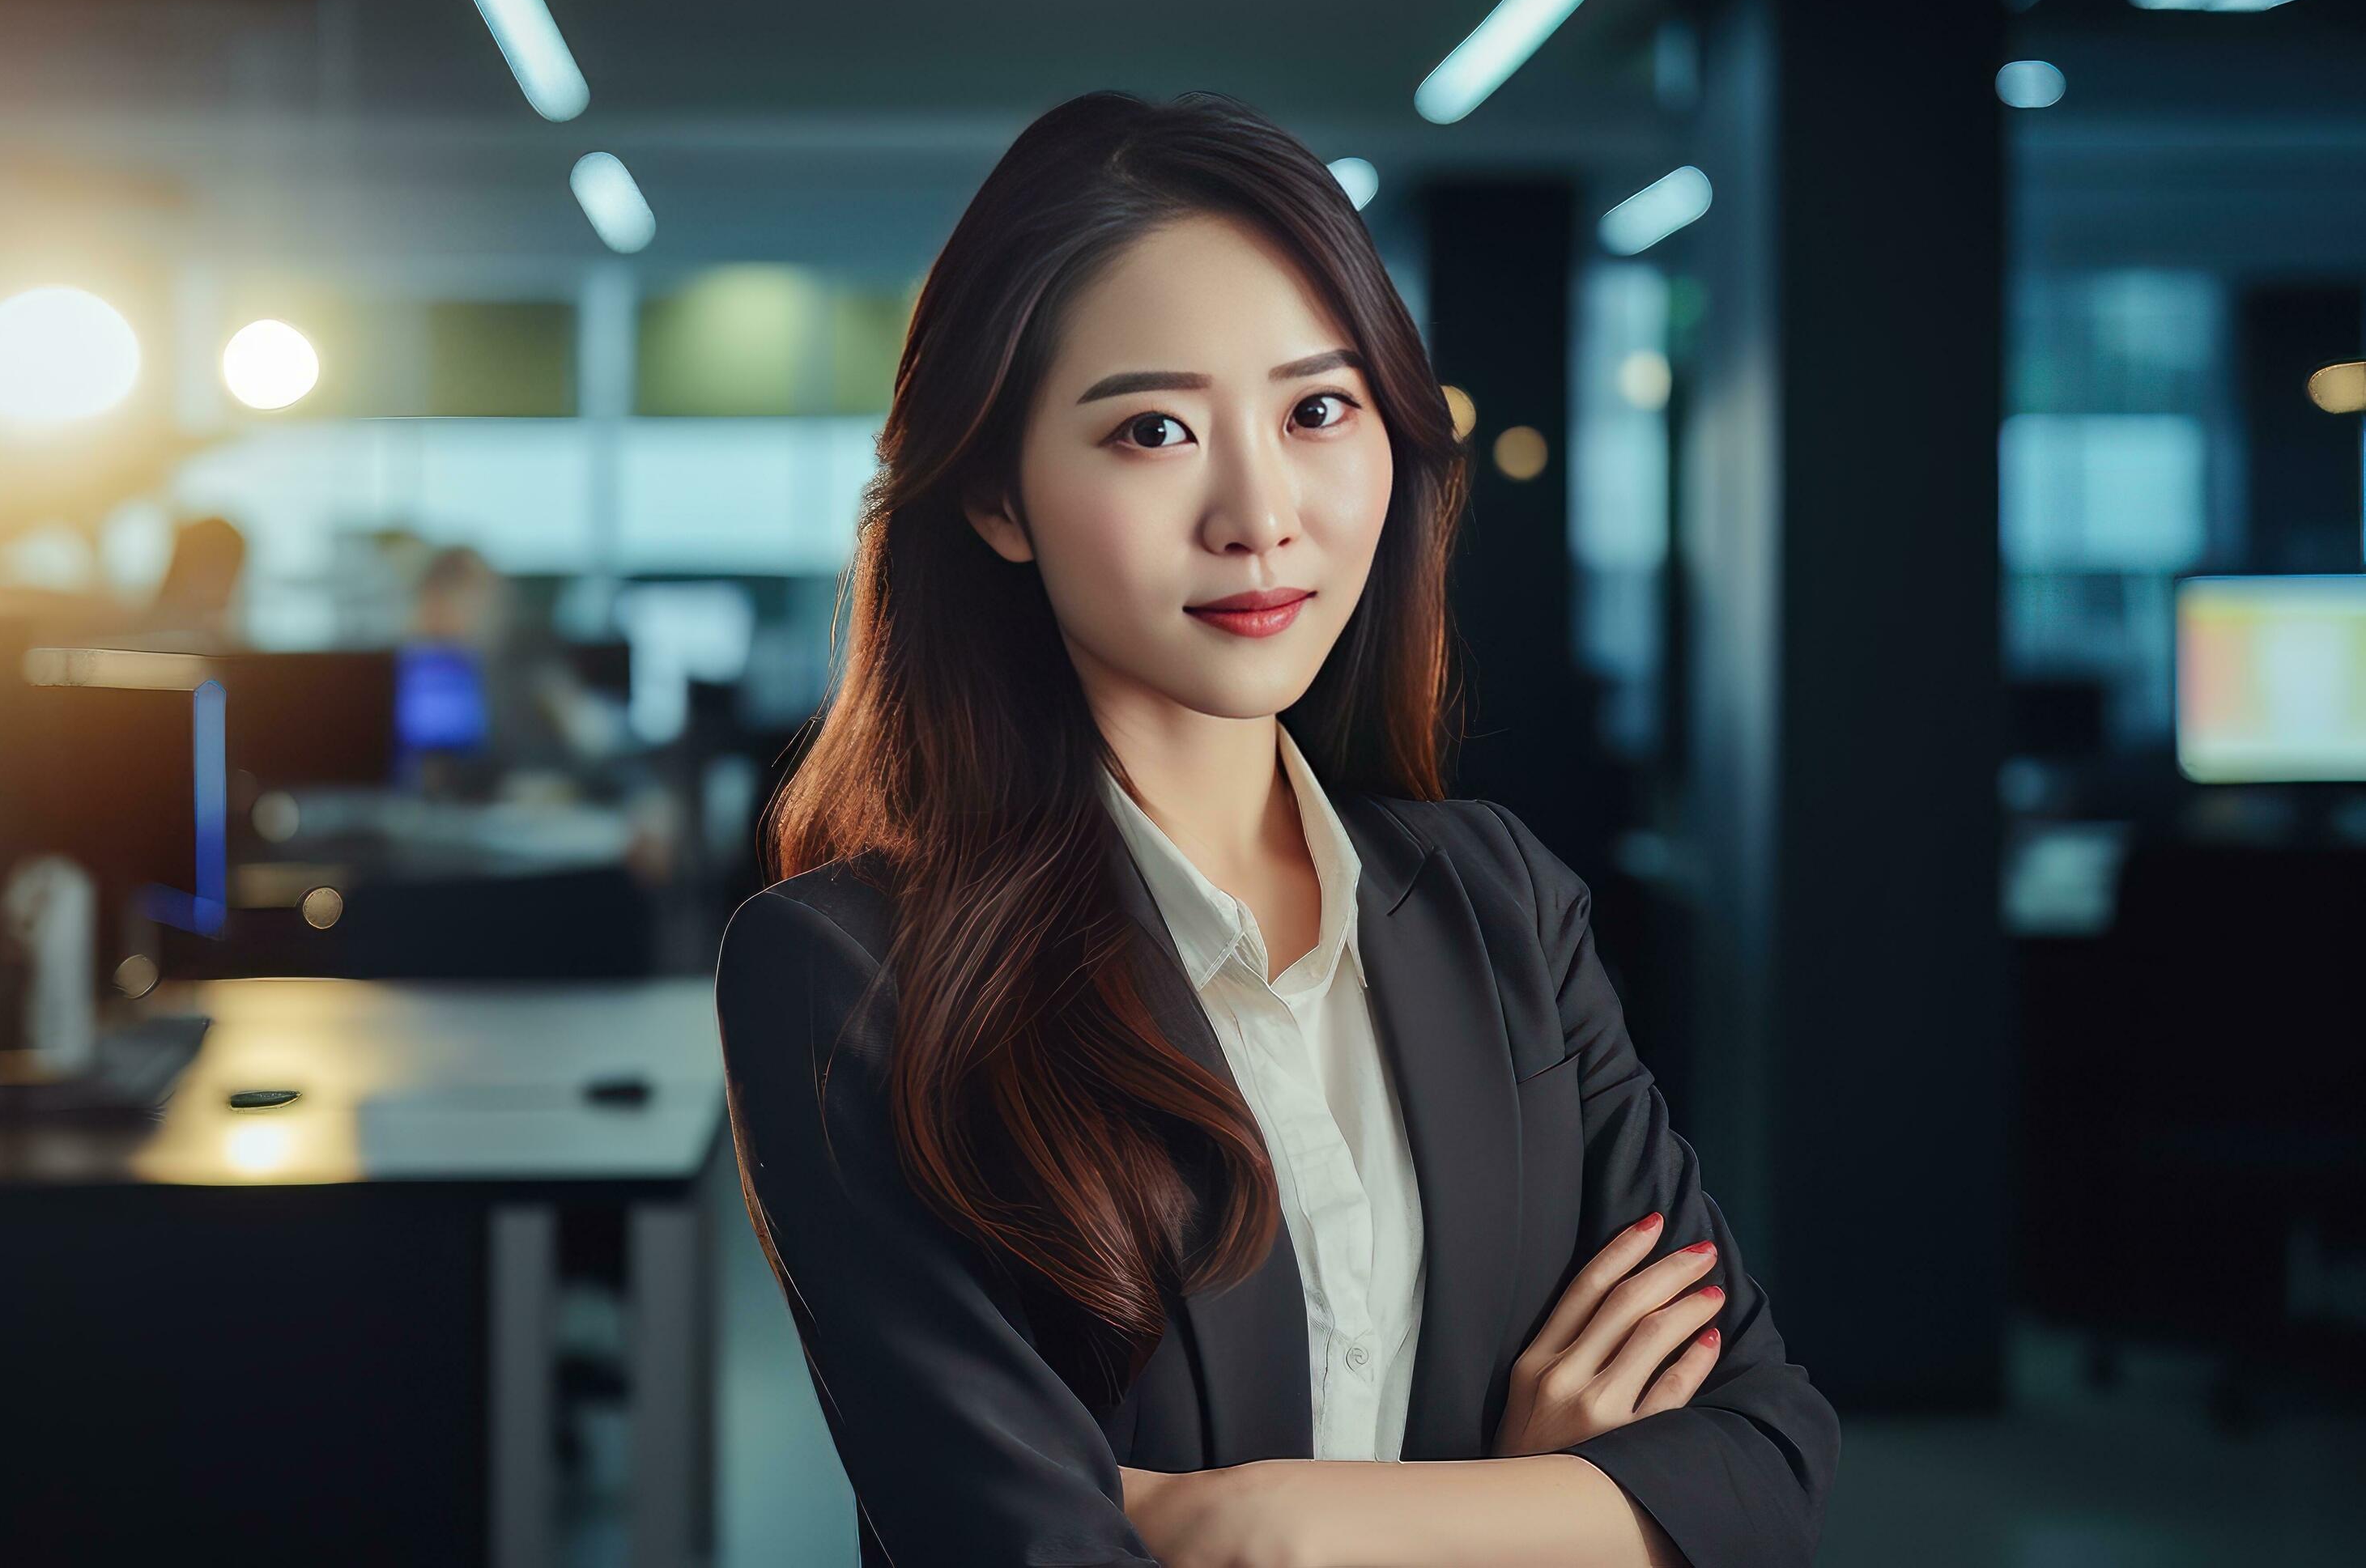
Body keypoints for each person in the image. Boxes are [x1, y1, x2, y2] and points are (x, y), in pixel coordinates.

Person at [713, 91, 1839, 1568]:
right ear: (996, 494)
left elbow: (1765, 1462)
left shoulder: (1503, 902)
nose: (1260, 513)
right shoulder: (850, 975)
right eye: (1154, 430)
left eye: (1317, 411)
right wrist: (1534, 1514)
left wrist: (1268, 1524)